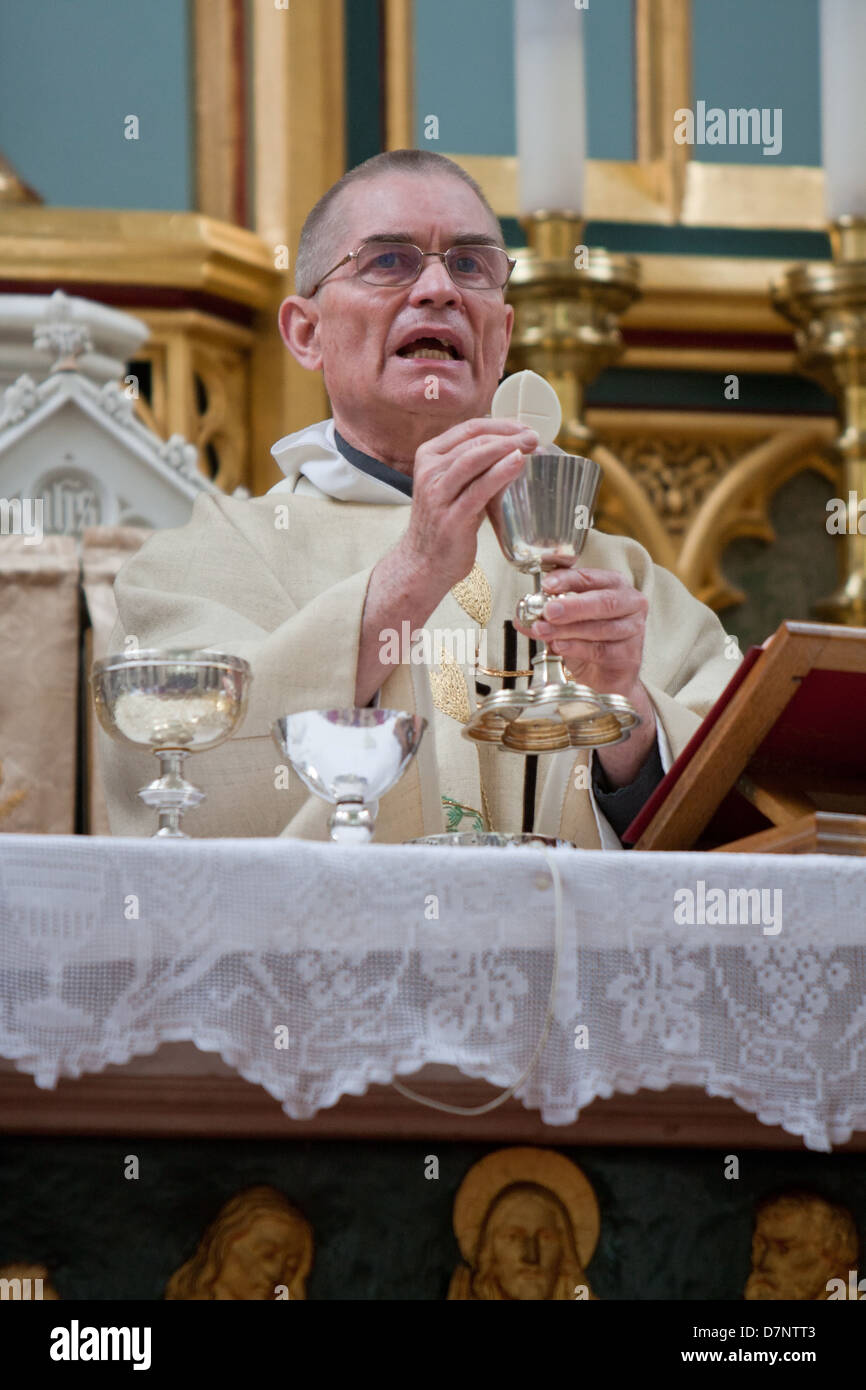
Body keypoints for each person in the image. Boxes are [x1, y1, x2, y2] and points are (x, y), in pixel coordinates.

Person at [99, 149, 737, 846]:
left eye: (470, 266)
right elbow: (182, 782)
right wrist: (407, 579)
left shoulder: (610, 573)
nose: (440, 290)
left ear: (503, 336)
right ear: (306, 333)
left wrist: (625, 710)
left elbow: (744, 798)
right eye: (389, 262)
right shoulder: (212, 552)